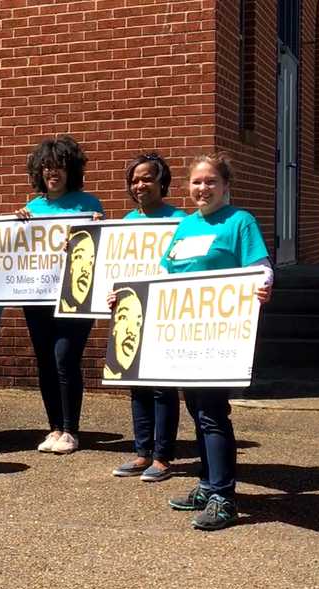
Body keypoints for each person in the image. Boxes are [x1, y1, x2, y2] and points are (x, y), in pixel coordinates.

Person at [159, 153, 273, 530]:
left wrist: (263, 286)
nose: (203, 188)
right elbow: (164, 273)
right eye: (197, 182)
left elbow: (260, 268)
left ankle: (223, 497)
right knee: (196, 408)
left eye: (211, 181)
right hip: (185, 334)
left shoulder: (240, 221)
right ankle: (208, 486)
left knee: (211, 411)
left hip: (219, 334)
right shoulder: (185, 225)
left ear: (226, 186)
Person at [16, 135, 104, 455]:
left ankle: (71, 430)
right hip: (38, 296)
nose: (52, 172)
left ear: (72, 170)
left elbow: (100, 247)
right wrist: (16, 226)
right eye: (47, 167)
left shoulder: (88, 205)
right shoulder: (31, 208)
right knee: (44, 361)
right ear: (39, 172)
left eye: (60, 167)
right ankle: (54, 427)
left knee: (65, 358)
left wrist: (96, 230)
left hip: (75, 295)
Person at [110, 153, 188, 482]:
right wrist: (111, 294)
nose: (139, 185)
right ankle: (142, 453)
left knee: (162, 387)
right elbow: (115, 269)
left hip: (165, 312)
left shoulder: (181, 221)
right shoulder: (126, 222)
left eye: (147, 178)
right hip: (131, 313)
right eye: (134, 180)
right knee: (138, 386)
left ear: (162, 182)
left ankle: (163, 458)